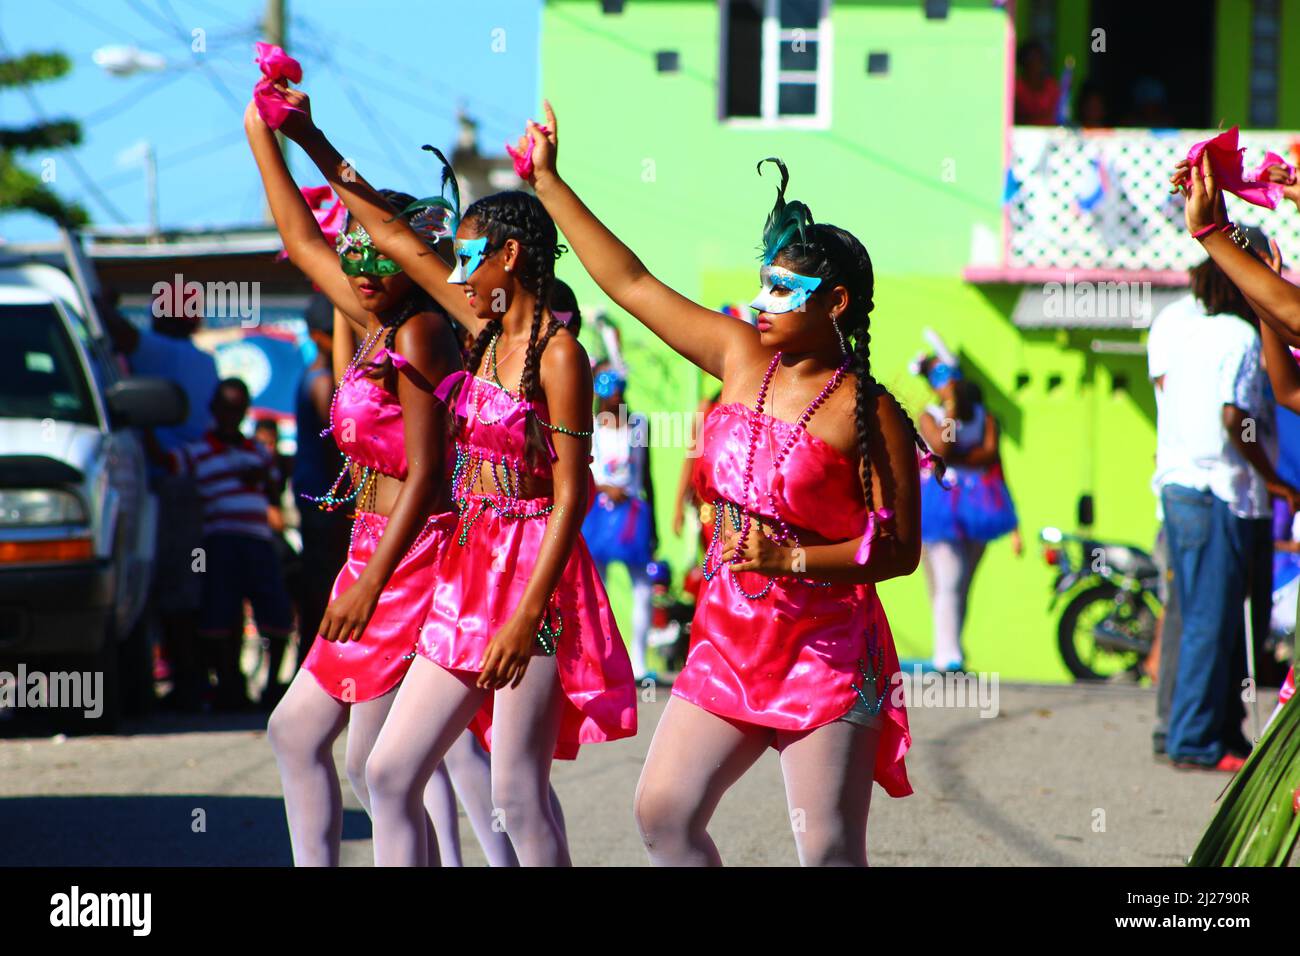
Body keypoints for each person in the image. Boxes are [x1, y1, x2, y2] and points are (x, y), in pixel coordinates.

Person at [521, 103, 926, 865]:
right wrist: (549, 184)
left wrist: (791, 561)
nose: (763, 303)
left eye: (784, 290)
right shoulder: (741, 356)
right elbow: (633, 283)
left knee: (829, 848)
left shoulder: (870, 412)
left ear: (835, 303)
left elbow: (899, 550)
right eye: (763, 285)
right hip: (727, 638)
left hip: (831, 653)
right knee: (664, 812)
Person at [272, 83, 635, 867]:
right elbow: (394, 236)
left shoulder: (559, 354)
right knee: (390, 771)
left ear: (509, 257)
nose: (456, 271)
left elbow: (571, 493)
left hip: (532, 580)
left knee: (515, 796)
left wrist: (524, 614)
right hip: (466, 569)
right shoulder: (477, 334)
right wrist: (308, 137)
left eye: (469, 257)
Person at [245, 97, 511, 867]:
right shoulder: (375, 326)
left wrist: (369, 585)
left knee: (374, 767)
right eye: (350, 251)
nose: (359, 267)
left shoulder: (426, 331)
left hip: (413, 559)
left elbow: (429, 475)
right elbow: (299, 238)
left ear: (410, 259)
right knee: (315, 743)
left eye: (376, 253)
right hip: (371, 550)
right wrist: (260, 131)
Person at [1145, 253, 1296, 771]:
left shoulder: (1190, 333)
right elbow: (1234, 416)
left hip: (1187, 486)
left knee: (1204, 617)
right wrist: (1274, 478)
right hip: (1217, 490)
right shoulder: (1239, 336)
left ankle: (1215, 734)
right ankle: (1194, 740)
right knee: (1213, 620)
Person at [102, 287, 219, 711]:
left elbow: (121, 333)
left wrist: (99, 301)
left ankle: (180, 684)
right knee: (182, 586)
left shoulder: (167, 352)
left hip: (168, 484)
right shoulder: (202, 360)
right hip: (187, 486)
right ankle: (186, 681)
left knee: (168, 587)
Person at [165, 379, 295, 711]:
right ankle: (229, 684)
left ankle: (270, 685)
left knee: (276, 610)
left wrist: (265, 478)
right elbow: (165, 464)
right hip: (213, 543)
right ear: (214, 410)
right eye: (226, 408)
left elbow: (273, 492)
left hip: (259, 539)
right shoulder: (195, 452)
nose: (231, 416)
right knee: (218, 609)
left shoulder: (258, 452)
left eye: (238, 409)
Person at [912, 329, 1019, 673]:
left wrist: (960, 457)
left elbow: (991, 456)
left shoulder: (985, 416)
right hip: (940, 506)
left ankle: (953, 648)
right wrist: (952, 412)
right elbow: (942, 448)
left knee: (963, 584)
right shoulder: (929, 415)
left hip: (980, 507)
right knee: (948, 579)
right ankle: (947, 655)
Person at [583, 361, 658, 681]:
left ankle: (638, 663)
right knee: (596, 587)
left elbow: (647, 475)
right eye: (609, 389)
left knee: (643, 586)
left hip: (632, 515)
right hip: (596, 512)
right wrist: (603, 486)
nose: (616, 397)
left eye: (619, 390)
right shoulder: (588, 425)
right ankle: (598, 660)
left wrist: (653, 523)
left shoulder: (639, 425)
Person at [291, 296, 353, 673]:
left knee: (320, 584)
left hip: (313, 499)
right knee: (328, 585)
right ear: (317, 336)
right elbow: (339, 451)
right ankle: (324, 666)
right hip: (325, 505)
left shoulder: (308, 377)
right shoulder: (323, 383)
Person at [1013, 40, 1059, 126]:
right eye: (1030, 59)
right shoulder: (1017, 86)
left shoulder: (1051, 86)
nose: (1034, 63)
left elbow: (1057, 115)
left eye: (1038, 59)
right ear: (1023, 62)